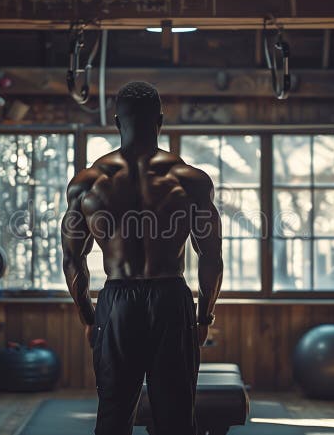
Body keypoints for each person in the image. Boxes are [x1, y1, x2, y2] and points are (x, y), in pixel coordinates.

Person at [61, 81, 223, 435]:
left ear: (118, 122)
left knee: (113, 416)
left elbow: (73, 259)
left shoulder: (87, 183)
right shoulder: (190, 180)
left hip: (117, 301)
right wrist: (203, 316)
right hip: (170, 299)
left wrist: (88, 315)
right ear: (160, 121)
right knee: (177, 418)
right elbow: (211, 256)